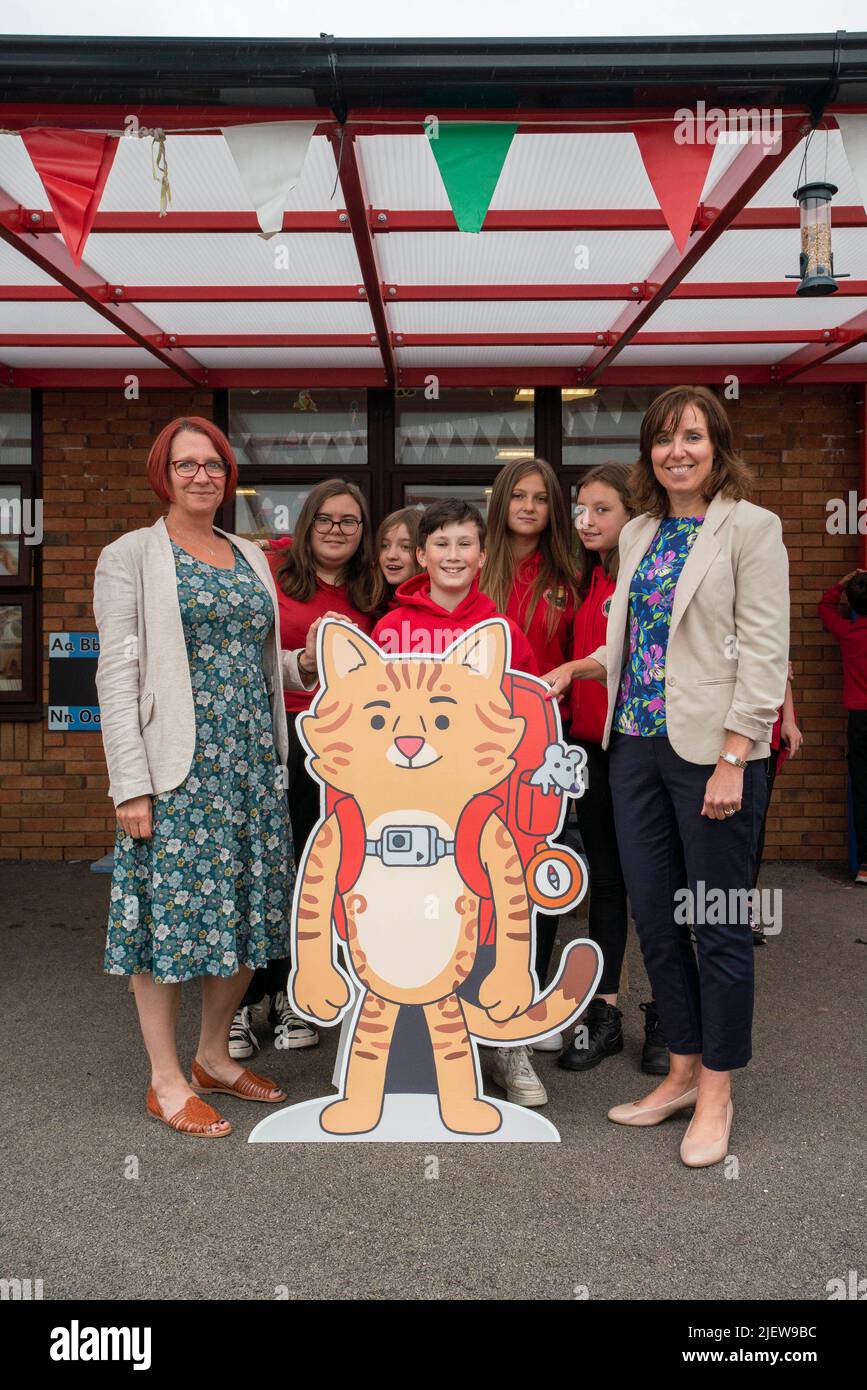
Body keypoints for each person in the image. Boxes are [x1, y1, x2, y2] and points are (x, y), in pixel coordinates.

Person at [546, 386, 789, 1167]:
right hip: (635, 748)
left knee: (714, 921)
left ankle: (717, 1087)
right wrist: (580, 667)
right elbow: (640, 641)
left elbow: (761, 653)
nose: (675, 450)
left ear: (717, 445)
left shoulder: (751, 529)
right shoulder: (641, 530)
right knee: (654, 917)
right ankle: (680, 1069)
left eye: (690, 436)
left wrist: (733, 755)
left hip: (711, 755)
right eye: (661, 438)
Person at [93, 416, 291, 1138]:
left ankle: (212, 1056)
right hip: (176, 770)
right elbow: (117, 676)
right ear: (163, 474)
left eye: (213, 464)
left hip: (250, 766)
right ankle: (165, 1079)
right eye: (186, 465)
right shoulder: (131, 555)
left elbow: (260, 658)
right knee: (168, 928)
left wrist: (320, 664)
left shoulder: (247, 554)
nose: (201, 475)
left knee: (244, 916)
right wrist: (130, 784)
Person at [373, 499, 548, 1110]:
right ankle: (410, 1040)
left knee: (490, 912)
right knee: (418, 916)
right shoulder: (392, 629)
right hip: (411, 807)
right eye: (441, 544)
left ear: (481, 554)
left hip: (482, 803)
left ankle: (503, 1042)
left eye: (465, 544)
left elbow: (526, 708)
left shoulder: (498, 628)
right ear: (420, 555)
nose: (453, 556)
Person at [229, 479, 376, 1059]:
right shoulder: (269, 575)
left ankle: (292, 994)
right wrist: (304, 663)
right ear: (308, 523)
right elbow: (248, 656)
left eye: (351, 521)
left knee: (316, 874)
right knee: (265, 865)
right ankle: (243, 1001)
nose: (338, 531)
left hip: (344, 749)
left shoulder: (373, 592)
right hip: (276, 736)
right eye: (327, 520)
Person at [544, 464, 668, 1074]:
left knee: (663, 888)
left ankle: (670, 1016)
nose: (587, 521)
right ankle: (605, 1014)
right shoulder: (588, 579)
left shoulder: (650, 578)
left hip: (647, 749)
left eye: (602, 510)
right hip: (592, 752)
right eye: (582, 510)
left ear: (634, 514)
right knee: (610, 884)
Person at [480, 457, 579, 1018]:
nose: (529, 507)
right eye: (519, 496)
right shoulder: (474, 564)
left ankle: (533, 991)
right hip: (478, 742)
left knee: (535, 863)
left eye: (541, 499)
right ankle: (476, 990)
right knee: (478, 866)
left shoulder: (567, 572)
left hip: (544, 748)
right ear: (501, 501)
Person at [819, 568, 867, 883]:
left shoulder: (849, 633)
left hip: (860, 721)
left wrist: (843, 583)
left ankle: (865, 865)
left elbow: (824, 606)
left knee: (862, 791)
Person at [750, 660, 802, 941]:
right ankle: (705, 913)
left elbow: (781, 666)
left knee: (754, 826)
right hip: (715, 733)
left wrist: (789, 720)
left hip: (764, 731)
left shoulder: (768, 619)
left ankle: (742, 907)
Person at [372, 506, 422, 618]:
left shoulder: (437, 608)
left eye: (405, 547)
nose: (391, 555)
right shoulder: (368, 604)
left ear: (423, 553)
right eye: (384, 546)